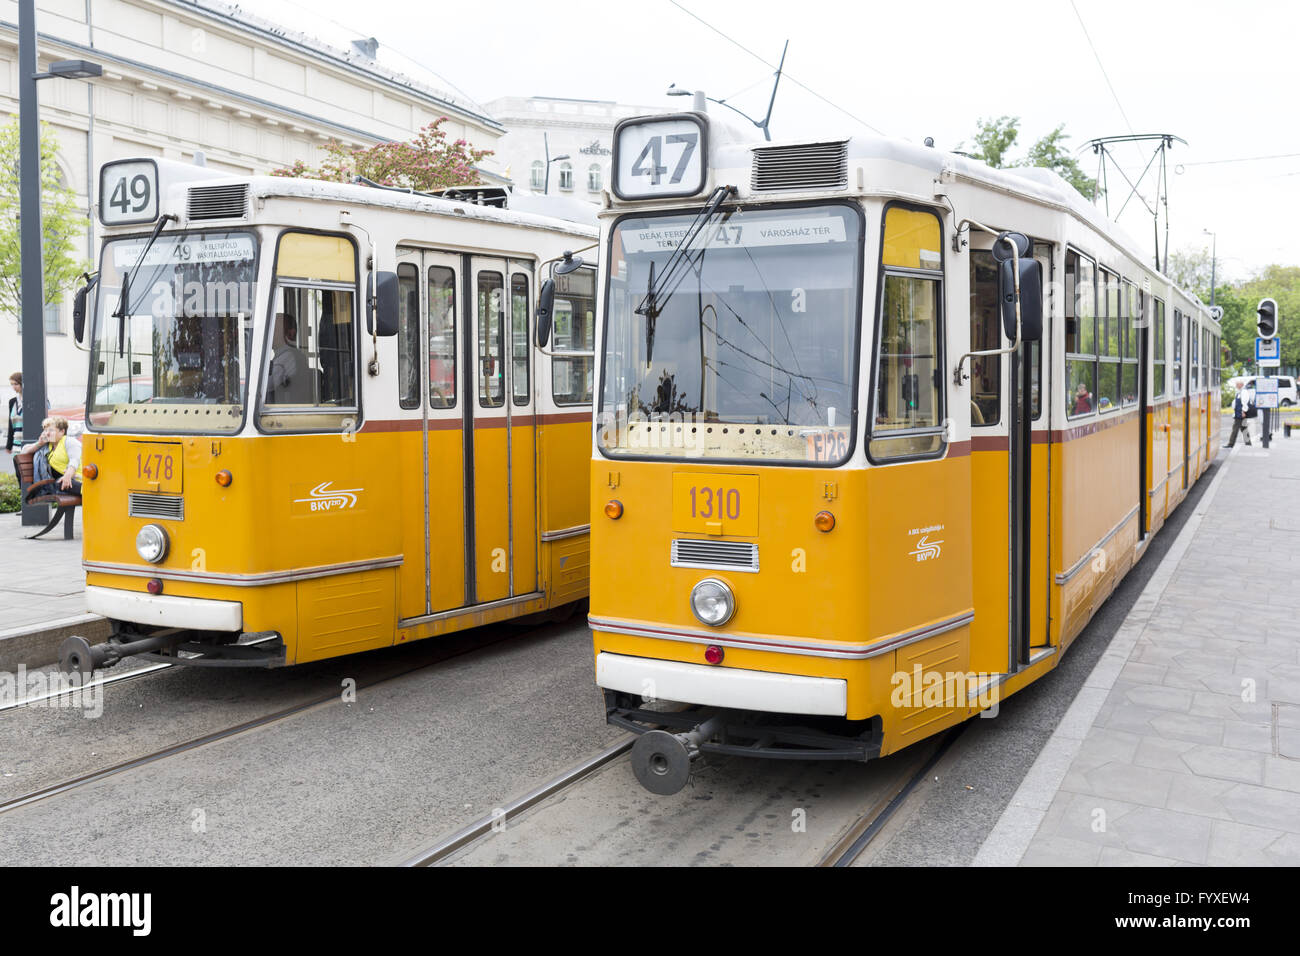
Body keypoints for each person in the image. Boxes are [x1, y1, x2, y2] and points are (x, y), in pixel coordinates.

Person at [21, 416, 82, 495]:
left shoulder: (69, 441)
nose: (47, 433)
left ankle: (91, 492)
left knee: (61, 483)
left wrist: (68, 475)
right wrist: (39, 444)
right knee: (59, 483)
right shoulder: (47, 446)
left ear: (62, 431)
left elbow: (75, 460)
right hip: (62, 482)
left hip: (81, 479)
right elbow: (24, 451)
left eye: (51, 430)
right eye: (45, 430)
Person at [268, 313, 312, 404]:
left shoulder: (288, 356)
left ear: (290, 333)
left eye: (275, 330)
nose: (270, 334)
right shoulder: (284, 354)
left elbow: (267, 386)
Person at [1225, 380, 1252, 448]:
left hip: (1240, 413)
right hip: (1238, 413)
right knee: (1244, 428)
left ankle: (1231, 443)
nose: (1236, 386)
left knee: (1235, 428)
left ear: (1241, 384)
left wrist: (1243, 411)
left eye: (1237, 384)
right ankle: (1248, 442)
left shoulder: (1244, 392)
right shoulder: (1240, 391)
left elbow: (1245, 402)